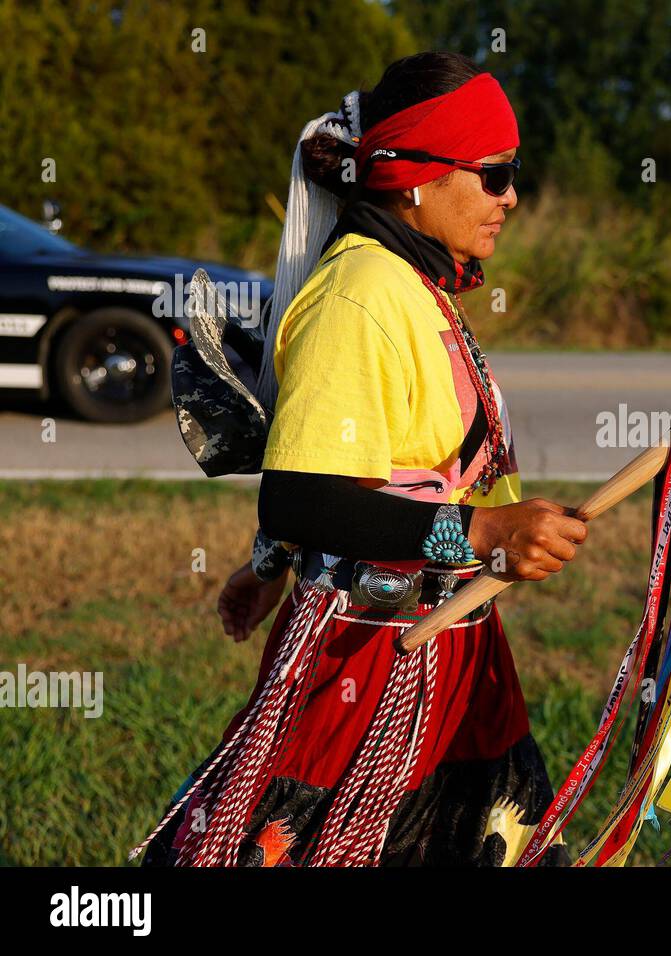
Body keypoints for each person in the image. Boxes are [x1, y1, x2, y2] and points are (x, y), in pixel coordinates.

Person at [135, 51, 586, 867]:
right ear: (415, 175)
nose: (511, 196)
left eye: (512, 173)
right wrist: (481, 532)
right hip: (373, 665)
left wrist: (266, 568)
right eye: (493, 173)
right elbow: (304, 498)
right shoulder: (360, 293)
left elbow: (363, 458)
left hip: (452, 652)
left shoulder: (415, 285)